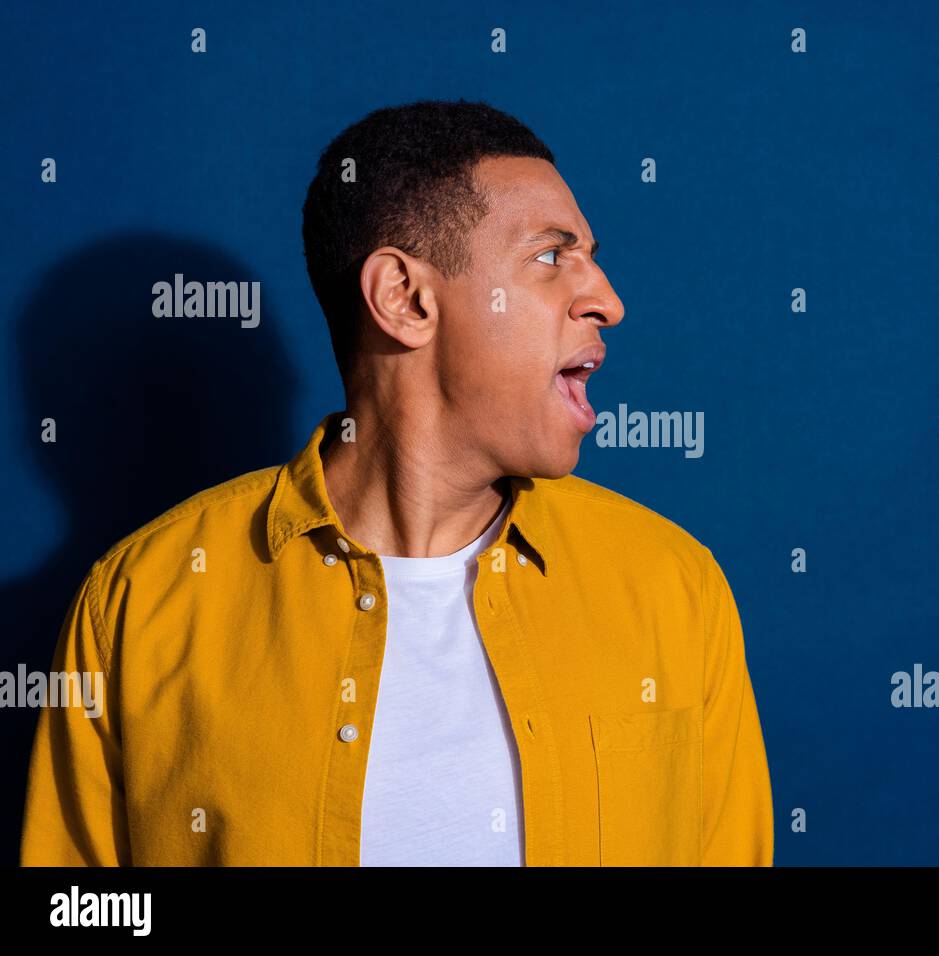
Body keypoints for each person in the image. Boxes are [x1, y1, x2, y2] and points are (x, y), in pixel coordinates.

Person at [19, 99, 773, 866]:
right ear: (404, 300)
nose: (607, 300)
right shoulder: (139, 602)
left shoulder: (674, 588)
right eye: (552, 256)